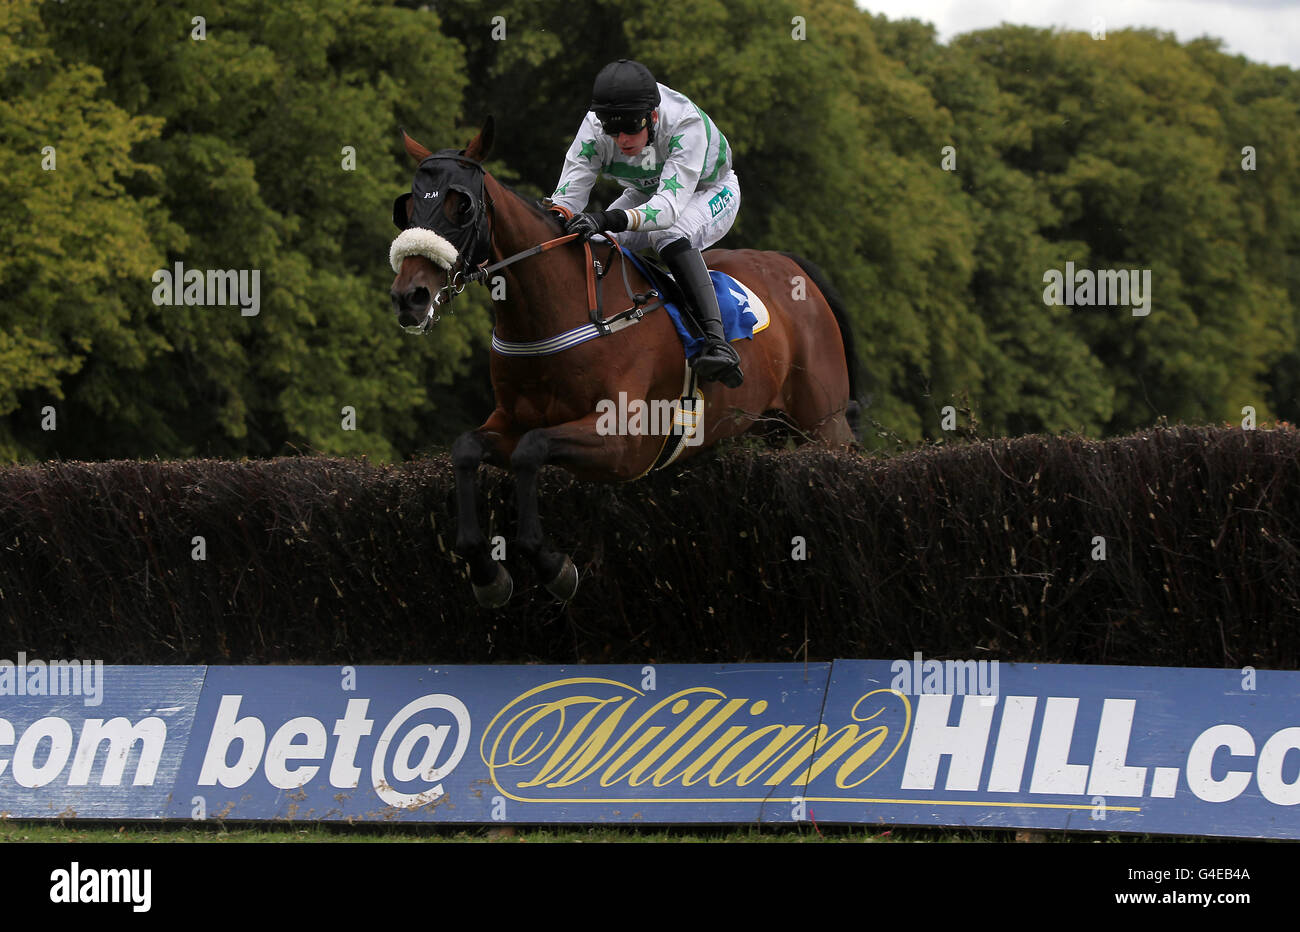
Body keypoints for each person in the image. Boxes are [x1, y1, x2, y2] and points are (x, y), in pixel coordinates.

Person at [549, 59, 743, 387]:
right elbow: (566, 201)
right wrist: (553, 225)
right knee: (595, 243)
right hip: (644, 193)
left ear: (653, 116)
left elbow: (666, 210)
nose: (622, 139)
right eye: (613, 129)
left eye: (630, 127)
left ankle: (717, 341)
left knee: (668, 233)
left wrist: (604, 218)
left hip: (709, 190)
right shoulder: (593, 128)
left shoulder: (685, 123)